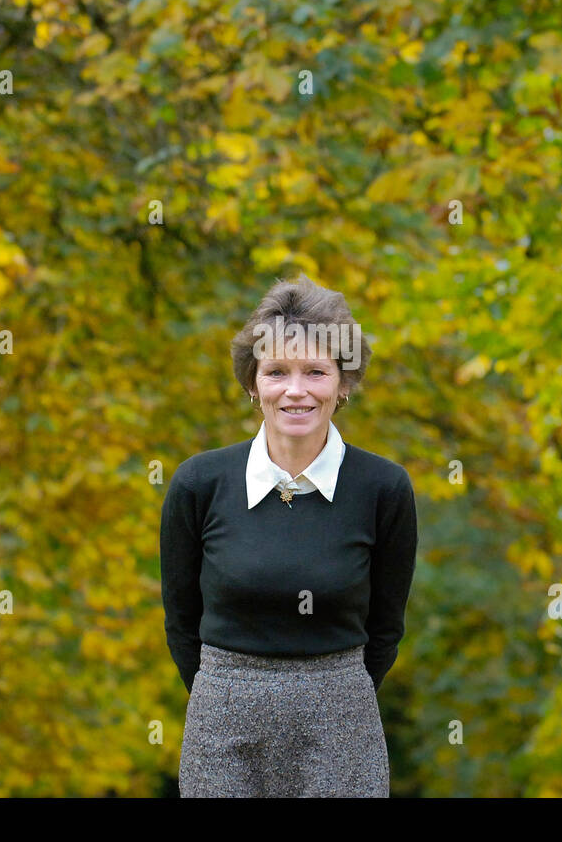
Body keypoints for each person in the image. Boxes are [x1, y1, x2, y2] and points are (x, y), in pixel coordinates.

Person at [160, 274, 418, 797]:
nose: (295, 390)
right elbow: (182, 621)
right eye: (277, 371)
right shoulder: (198, 484)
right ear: (253, 385)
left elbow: (386, 627)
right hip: (222, 727)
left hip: (343, 728)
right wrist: (230, 692)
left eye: (316, 372)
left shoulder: (384, 488)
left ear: (343, 385)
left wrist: (331, 693)